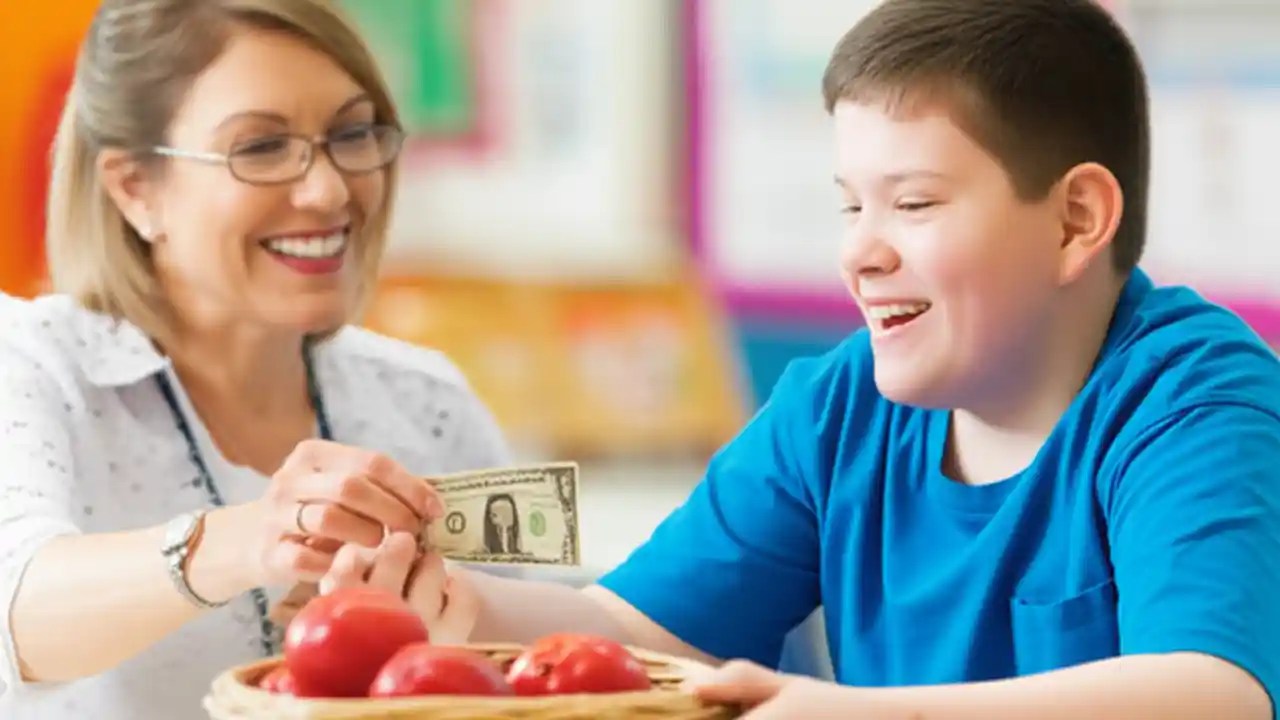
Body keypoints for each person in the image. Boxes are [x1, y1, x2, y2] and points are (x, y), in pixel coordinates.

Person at [327, 0, 1280, 718]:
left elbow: (1214, 693)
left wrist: (855, 713)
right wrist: (452, 600)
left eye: (913, 203)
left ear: (1075, 220)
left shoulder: (1196, 398)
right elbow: (643, 634)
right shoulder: (836, 407)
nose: (859, 251)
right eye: (849, 204)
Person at [0, 1, 510, 717]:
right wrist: (249, 540)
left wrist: (445, 642)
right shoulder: (31, 365)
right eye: (262, 147)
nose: (329, 190)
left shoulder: (426, 401)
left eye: (352, 134)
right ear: (135, 188)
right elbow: (17, 614)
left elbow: (546, 673)